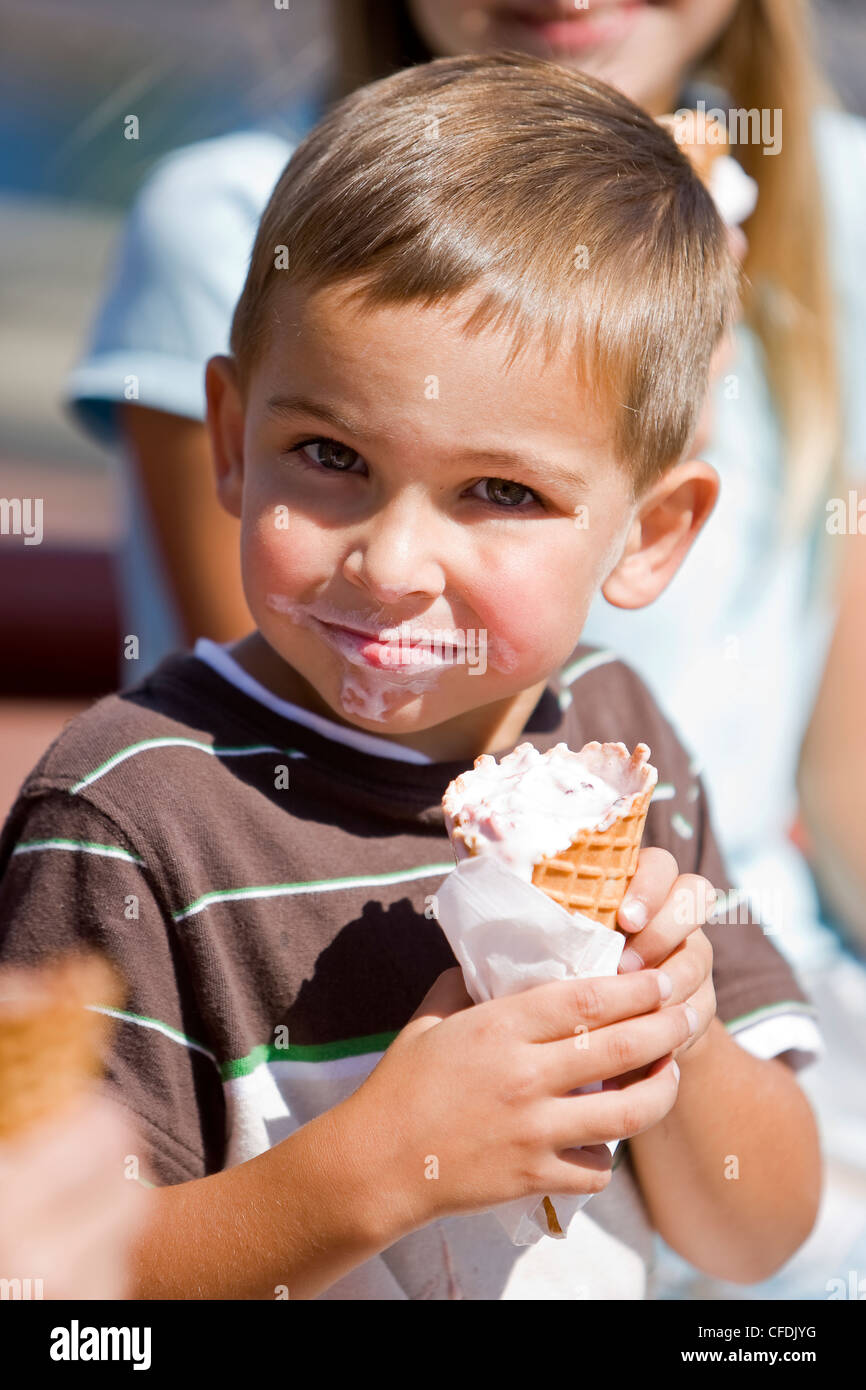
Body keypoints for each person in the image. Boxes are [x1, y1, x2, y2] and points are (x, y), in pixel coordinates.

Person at [3, 54, 822, 1300]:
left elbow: (753, 1234)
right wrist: (385, 1163)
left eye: (499, 491)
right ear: (231, 439)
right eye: (327, 453)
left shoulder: (617, 744)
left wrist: (679, 1041)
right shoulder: (128, 815)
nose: (388, 564)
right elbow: (68, 1295)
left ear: (650, 535)